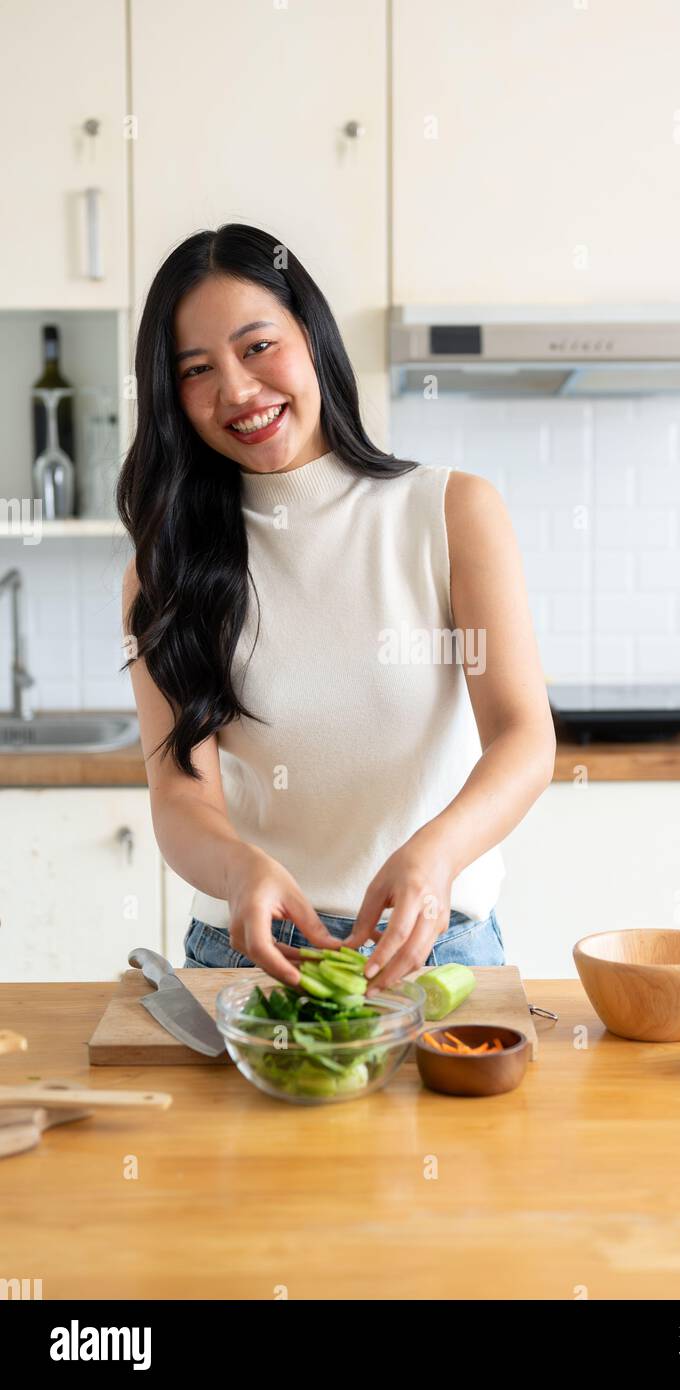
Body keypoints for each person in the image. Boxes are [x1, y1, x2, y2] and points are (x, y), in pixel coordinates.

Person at [117, 223, 555, 994]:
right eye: (197, 369)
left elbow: (524, 739)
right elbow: (181, 796)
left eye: (258, 346)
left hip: (436, 950)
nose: (239, 391)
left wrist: (439, 854)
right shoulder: (165, 572)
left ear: (312, 337)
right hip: (243, 958)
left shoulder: (451, 513)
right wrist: (237, 867)